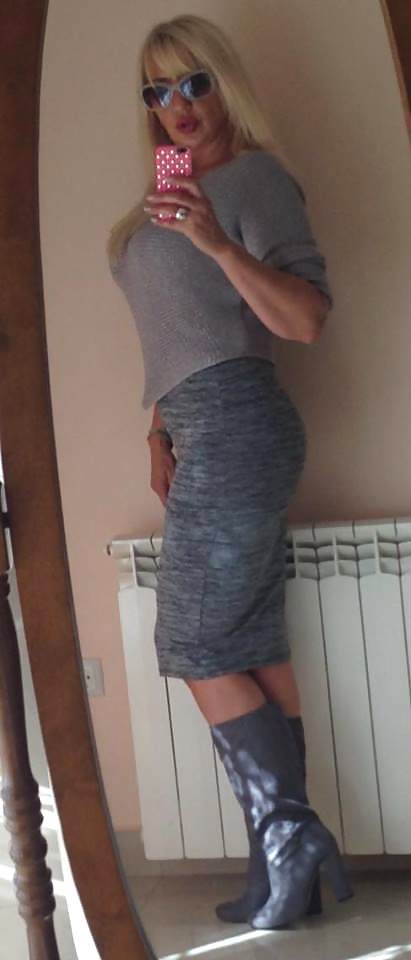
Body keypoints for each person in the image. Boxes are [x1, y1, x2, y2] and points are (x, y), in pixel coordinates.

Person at [107, 13, 353, 930]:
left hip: (242, 424)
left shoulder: (255, 180)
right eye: (156, 90)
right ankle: (285, 870)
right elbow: (176, 331)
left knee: (193, 643)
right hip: (197, 429)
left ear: (224, 82)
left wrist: (216, 242)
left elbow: (306, 318)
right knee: (246, 641)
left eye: (193, 82)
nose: (176, 104)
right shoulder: (166, 193)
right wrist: (157, 430)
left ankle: (292, 846)